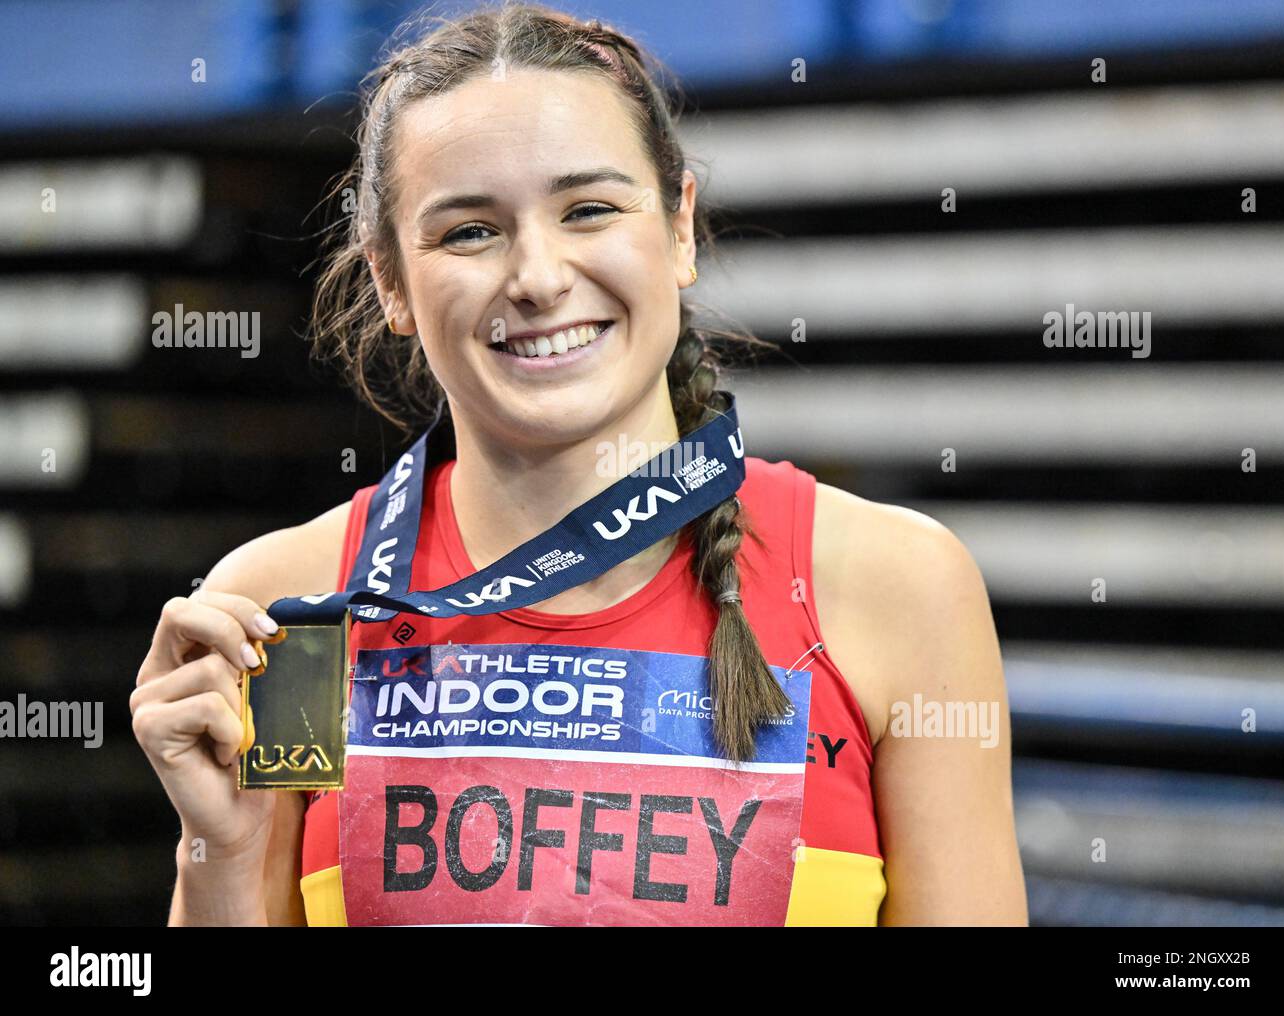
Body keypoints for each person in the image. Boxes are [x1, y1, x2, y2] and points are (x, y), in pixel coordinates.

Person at [129, 1, 1027, 926]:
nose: (540, 276)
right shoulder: (294, 605)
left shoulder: (893, 587)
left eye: (589, 209)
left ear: (679, 228)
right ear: (391, 281)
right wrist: (225, 857)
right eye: (469, 231)